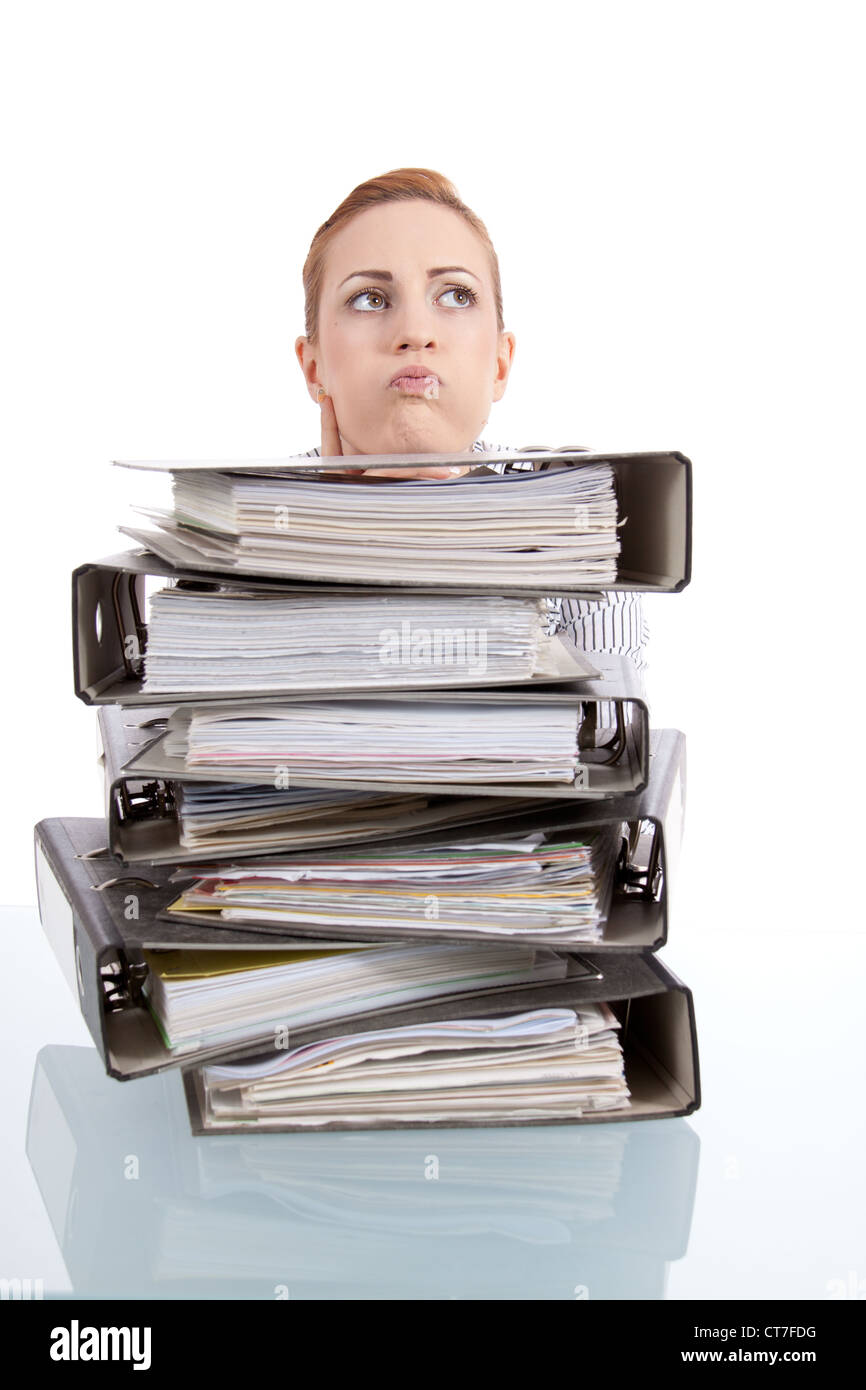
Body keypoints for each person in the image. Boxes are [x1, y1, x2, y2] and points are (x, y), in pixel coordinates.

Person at [293, 167, 648, 682]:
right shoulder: (236, 525)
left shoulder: (573, 516)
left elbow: (601, 741)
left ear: (500, 364)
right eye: (370, 298)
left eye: (455, 295)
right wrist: (334, 551)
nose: (415, 332)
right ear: (314, 367)